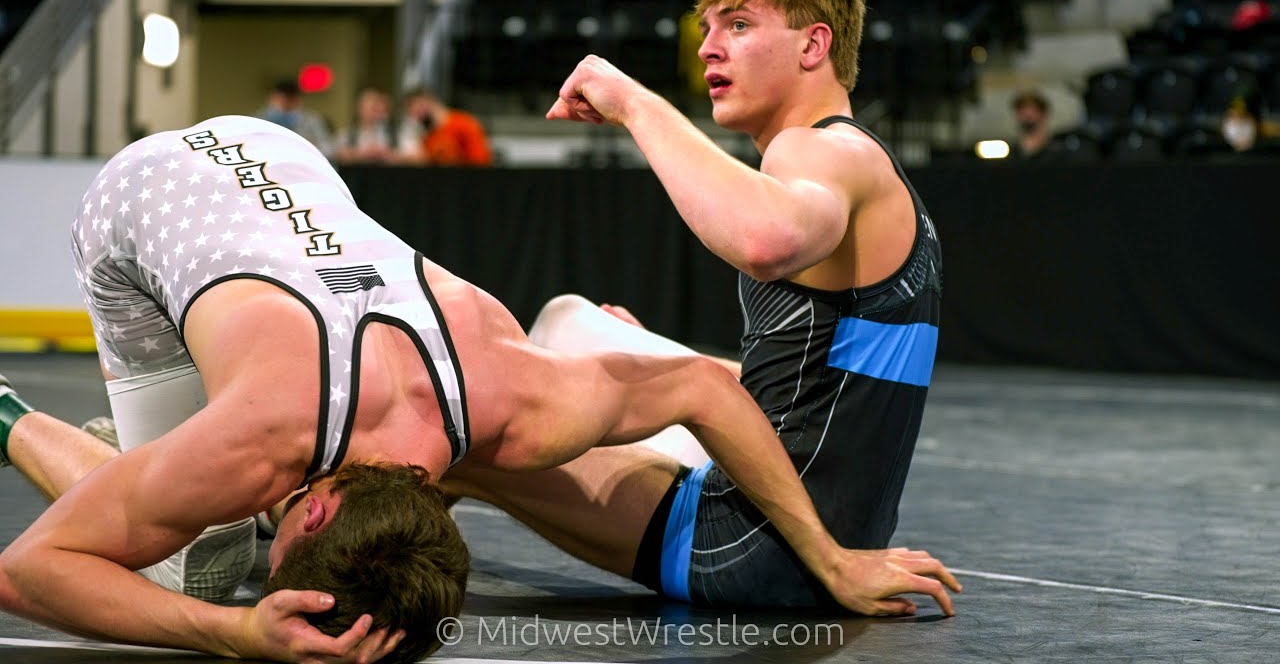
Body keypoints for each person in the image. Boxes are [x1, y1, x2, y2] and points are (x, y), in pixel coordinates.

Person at [0, 114, 957, 663]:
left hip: (276, 152)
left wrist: (831, 560)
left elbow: (706, 387)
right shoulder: (261, 439)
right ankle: (11, 414)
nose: (280, 535)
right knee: (199, 568)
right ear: (317, 507)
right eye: (288, 529)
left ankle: (148, 476)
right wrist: (235, 633)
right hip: (140, 200)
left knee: (206, 507)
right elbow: (26, 570)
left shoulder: (519, 403)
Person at [447, 0, 954, 611]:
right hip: (825, 528)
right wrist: (655, 356)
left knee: (452, 429)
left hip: (761, 544)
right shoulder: (863, 164)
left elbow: (765, 240)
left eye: (738, 25)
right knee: (571, 322)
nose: (708, 47)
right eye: (708, 26)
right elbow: (819, 388)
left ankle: (338, 559)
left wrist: (635, 103)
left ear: (813, 45)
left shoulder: (819, 150)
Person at [399, 88, 494, 167]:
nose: (415, 118)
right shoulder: (428, 136)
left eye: (415, 110)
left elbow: (480, 161)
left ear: (426, 102)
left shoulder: (464, 124)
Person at [255, 79, 334, 158]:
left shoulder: (312, 120)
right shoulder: (259, 119)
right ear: (272, 98)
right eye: (281, 99)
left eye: (289, 99)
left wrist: (309, 147)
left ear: (298, 99)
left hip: (302, 160)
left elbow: (327, 147)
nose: (285, 103)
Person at [334, 87, 399, 165]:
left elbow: (405, 154)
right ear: (360, 108)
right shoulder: (347, 135)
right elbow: (337, 154)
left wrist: (385, 154)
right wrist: (362, 154)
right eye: (371, 107)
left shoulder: (392, 134)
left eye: (377, 106)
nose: (375, 111)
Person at [1010, 89, 1051, 158]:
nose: (1027, 114)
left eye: (1033, 109)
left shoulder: (1057, 150)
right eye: (1022, 110)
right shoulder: (1012, 153)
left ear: (1044, 113)